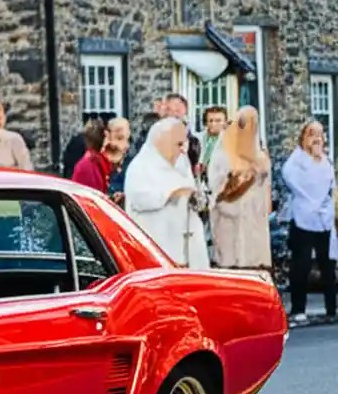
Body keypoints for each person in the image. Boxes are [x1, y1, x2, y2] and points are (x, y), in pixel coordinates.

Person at [124, 117, 210, 269]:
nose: (182, 149)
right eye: (178, 144)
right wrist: (170, 194)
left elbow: (192, 192)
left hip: (187, 249)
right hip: (158, 249)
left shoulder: (181, 162)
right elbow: (139, 199)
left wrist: (196, 197)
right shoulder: (141, 166)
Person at [280, 121, 336, 324]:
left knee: (327, 264)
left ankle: (332, 308)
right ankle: (298, 309)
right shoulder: (296, 161)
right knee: (300, 265)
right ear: (304, 137)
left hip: (323, 220)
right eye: (312, 134)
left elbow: (329, 185)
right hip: (303, 219)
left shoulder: (325, 161)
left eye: (320, 134)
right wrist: (311, 202)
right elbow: (291, 181)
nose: (316, 138)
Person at [206, 106, 272, 273]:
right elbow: (215, 183)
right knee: (230, 269)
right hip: (229, 218)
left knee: (252, 268)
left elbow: (265, 185)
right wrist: (234, 179)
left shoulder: (260, 152)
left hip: (253, 221)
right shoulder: (223, 149)